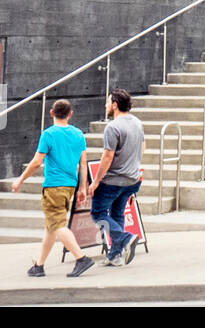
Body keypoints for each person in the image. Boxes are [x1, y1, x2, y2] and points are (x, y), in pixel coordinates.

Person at [12, 98, 94, 278]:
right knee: (51, 227)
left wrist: (20, 180)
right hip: (70, 186)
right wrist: (82, 188)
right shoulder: (78, 134)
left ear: (51, 113)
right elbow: (83, 163)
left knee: (56, 225)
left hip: (53, 186)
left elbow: (36, 162)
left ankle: (81, 258)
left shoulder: (48, 135)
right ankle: (39, 266)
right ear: (70, 114)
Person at [88, 88, 144, 267]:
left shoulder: (112, 127)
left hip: (113, 180)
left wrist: (96, 181)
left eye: (107, 102)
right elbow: (143, 147)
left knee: (97, 213)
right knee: (117, 213)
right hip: (132, 179)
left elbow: (107, 156)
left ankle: (125, 238)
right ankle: (115, 256)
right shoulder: (137, 122)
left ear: (114, 105)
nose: (105, 105)